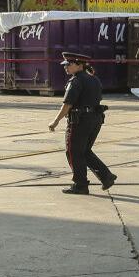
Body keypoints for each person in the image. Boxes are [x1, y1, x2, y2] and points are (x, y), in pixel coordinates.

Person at [49, 52, 115, 195]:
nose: (65, 67)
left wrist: (55, 121)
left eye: (69, 64)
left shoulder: (76, 81)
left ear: (79, 65)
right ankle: (106, 176)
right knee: (84, 151)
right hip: (95, 120)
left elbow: (67, 105)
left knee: (73, 152)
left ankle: (80, 185)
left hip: (80, 121)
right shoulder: (94, 79)